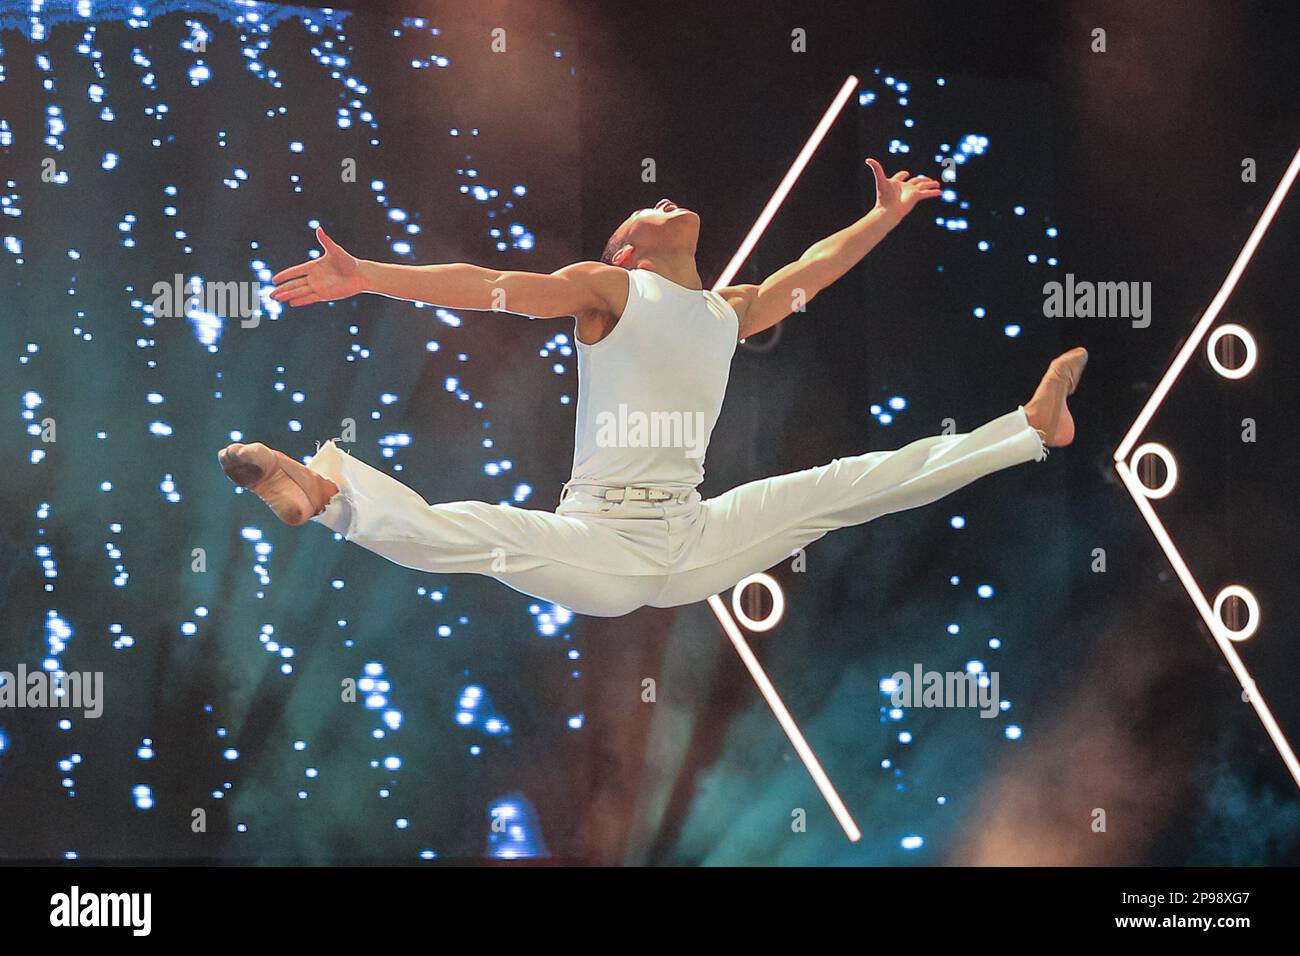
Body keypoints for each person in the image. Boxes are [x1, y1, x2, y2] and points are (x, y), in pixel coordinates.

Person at [219, 158, 1087, 617]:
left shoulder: (725, 312)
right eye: (650, 205)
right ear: (627, 248)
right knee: (484, 536)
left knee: (851, 489)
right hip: (602, 539)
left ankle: (1027, 430)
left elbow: (813, 270)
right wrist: (368, 273)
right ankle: (328, 496)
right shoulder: (608, 289)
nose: (668, 198)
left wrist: (884, 214)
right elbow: (486, 283)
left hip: (693, 532)